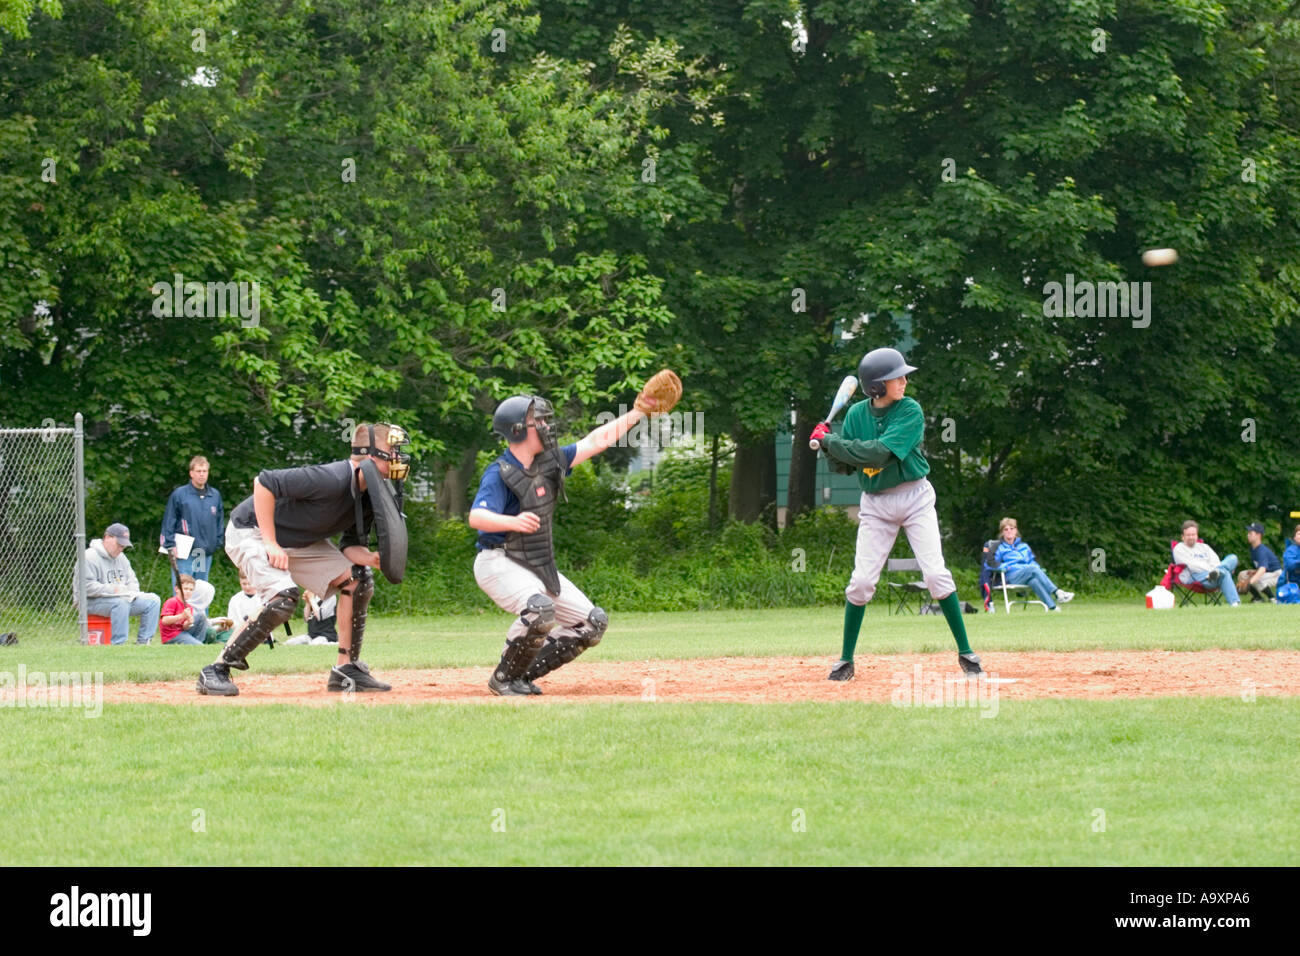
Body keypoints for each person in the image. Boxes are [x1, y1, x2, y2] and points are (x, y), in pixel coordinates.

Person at [469, 371, 681, 696]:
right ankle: (504, 678)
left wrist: (640, 411)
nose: (546, 426)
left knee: (591, 623)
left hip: (535, 563)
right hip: (498, 562)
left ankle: (522, 676)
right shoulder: (500, 472)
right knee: (540, 611)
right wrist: (513, 522)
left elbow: (597, 440)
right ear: (517, 431)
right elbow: (477, 517)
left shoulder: (550, 461)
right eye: (537, 422)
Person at [195, 422, 411, 696]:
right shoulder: (332, 477)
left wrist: (372, 558)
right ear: (369, 456)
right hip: (252, 530)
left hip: (300, 542)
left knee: (358, 579)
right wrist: (271, 543)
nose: (397, 457)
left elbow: (350, 548)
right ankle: (216, 669)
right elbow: (263, 482)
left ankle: (346, 668)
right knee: (283, 597)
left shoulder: (369, 495)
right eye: (391, 450)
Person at [814, 348, 982, 680]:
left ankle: (966, 653)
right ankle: (845, 659)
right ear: (877, 386)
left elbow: (878, 455)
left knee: (935, 575)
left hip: (914, 497)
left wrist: (832, 443)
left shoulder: (910, 411)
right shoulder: (857, 416)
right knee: (861, 583)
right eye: (897, 377)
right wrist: (826, 443)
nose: (904, 381)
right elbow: (846, 466)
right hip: (875, 504)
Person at [82, 523, 161, 645]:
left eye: (123, 545)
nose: (121, 548)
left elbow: (132, 580)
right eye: (119, 544)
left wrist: (131, 593)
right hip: (91, 601)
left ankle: (144, 642)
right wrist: (114, 590)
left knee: (153, 601)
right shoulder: (89, 556)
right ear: (107, 537)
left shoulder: (121, 557)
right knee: (121, 603)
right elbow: (86, 587)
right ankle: (118, 645)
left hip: (119, 599)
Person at [161, 455, 224, 583]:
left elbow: (219, 521)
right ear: (191, 473)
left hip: (203, 552)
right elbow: (169, 521)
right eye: (198, 471)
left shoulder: (214, 495)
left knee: (200, 590)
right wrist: (170, 545)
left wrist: (217, 542)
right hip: (184, 552)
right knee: (183, 590)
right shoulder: (180, 494)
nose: (202, 474)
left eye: (204, 471)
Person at [992, 517, 1074, 611]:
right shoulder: (999, 547)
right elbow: (991, 564)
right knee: (1032, 569)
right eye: (1006, 529)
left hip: (1027, 572)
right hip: (1012, 576)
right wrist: (1006, 566)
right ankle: (1057, 592)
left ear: (1016, 530)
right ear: (1002, 532)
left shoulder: (1024, 546)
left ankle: (1053, 607)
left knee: (1034, 581)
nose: (1009, 531)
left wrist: (1037, 569)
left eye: (1012, 528)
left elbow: (1032, 561)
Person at [1172, 520, 1240, 606]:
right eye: (1188, 535)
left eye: (1193, 535)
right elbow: (1191, 566)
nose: (1191, 537)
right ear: (1183, 537)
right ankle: (1234, 604)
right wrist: (1211, 570)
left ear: (1197, 535)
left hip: (1212, 577)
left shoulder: (1204, 547)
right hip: (1194, 577)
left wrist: (1215, 570)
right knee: (1225, 572)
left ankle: (1218, 572)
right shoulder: (1179, 549)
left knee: (1233, 558)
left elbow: (1216, 561)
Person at [1236, 522, 1282, 602]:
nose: (1248, 535)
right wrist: (1254, 571)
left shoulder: (1261, 550)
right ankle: (1258, 598)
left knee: (1257, 578)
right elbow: (1262, 567)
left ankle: (1273, 598)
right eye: (1248, 533)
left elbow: (1263, 570)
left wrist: (1249, 582)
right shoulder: (1253, 548)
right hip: (1267, 573)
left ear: (1258, 535)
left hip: (1276, 575)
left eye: (1251, 533)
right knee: (1243, 574)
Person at [160, 574, 209, 645]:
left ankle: (197, 641)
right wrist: (181, 616)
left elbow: (184, 627)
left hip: (181, 632)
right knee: (199, 646)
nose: (188, 592)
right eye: (185, 589)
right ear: (177, 589)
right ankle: (197, 644)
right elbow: (164, 621)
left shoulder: (188, 606)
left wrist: (189, 622)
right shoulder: (172, 602)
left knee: (201, 616)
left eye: (191, 590)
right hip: (171, 636)